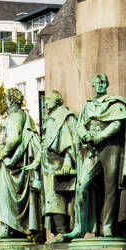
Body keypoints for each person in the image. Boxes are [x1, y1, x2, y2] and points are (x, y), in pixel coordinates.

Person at [64, 73, 126, 240]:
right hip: (91, 149)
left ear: (107, 84)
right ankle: (79, 227)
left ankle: (107, 226)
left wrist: (100, 137)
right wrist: (85, 135)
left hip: (110, 147)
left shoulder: (115, 103)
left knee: (110, 188)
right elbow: (80, 125)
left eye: (103, 82)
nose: (100, 85)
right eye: (97, 82)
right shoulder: (88, 106)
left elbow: (117, 124)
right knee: (81, 185)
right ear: (92, 84)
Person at [0, 87, 42, 239]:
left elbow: (14, 138)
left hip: (10, 164)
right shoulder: (25, 116)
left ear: (11, 100)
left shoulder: (14, 117)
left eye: (6, 99)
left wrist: (3, 153)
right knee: (11, 197)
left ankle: (4, 228)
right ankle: (15, 229)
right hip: (19, 162)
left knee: (4, 193)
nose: (5, 102)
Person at [39, 90, 79, 239]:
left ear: (57, 100)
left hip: (58, 163)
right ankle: (56, 232)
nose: (46, 102)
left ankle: (62, 231)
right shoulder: (49, 118)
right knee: (49, 201)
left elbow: (70, 140)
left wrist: (68, 161)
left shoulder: (64, 116)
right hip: (47, 165)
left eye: (49, 99)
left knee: (57, 198)